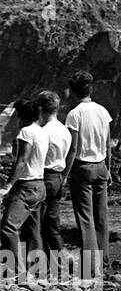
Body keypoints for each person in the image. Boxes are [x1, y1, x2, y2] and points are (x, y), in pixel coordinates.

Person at [63, 71, 112, 260]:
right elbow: (108, 145)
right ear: (91, 88)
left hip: (83, 167)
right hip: (101, 166)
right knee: (101, 216)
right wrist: (108, 169)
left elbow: (73, 148)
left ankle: (90, 264)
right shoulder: (103, 111)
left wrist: (65, 174)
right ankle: (104, 258)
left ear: (73, 91)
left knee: (85, 218)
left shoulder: (74, 114)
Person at [1, 99, 48, 279]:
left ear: (21, 116)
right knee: (33, 229)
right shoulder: (42, 131)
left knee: (8, 227)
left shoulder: (26, 132)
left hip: (26, 185)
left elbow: (21, 161)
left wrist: (8, 186)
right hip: (40, 184)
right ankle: (37, 270)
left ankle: (14, 271)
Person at [36, 91, 69, 259]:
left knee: (38, 224)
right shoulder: (64, 130)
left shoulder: (43, 131)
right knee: (53, 223)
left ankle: (41, 262)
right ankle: (59, 261)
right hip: (58, 176)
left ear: (40, 108)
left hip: (44, 176)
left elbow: (37, 157)